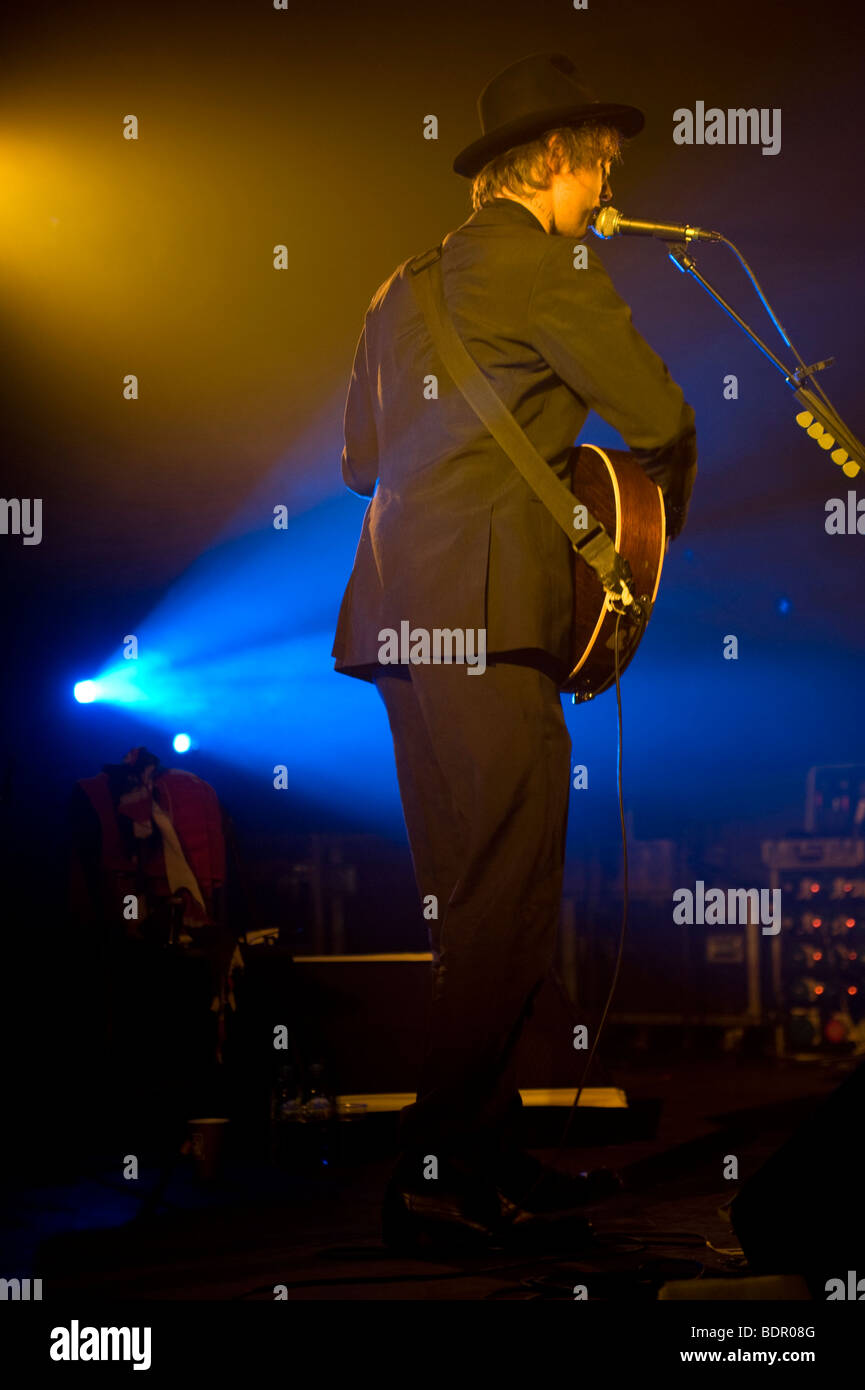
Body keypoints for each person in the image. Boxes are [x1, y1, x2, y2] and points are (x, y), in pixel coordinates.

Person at [331, 52, 698, 1252]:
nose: (607, 193)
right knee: (509, 901)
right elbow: (661, 418)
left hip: (396, 620)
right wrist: (635, 565)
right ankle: (434, 1176)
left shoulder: (401, 284)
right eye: (602, 170)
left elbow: (357, 460)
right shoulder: (548, 267)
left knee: (467, 903)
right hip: (493, 624)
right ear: (565, 162)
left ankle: (485, 1160)